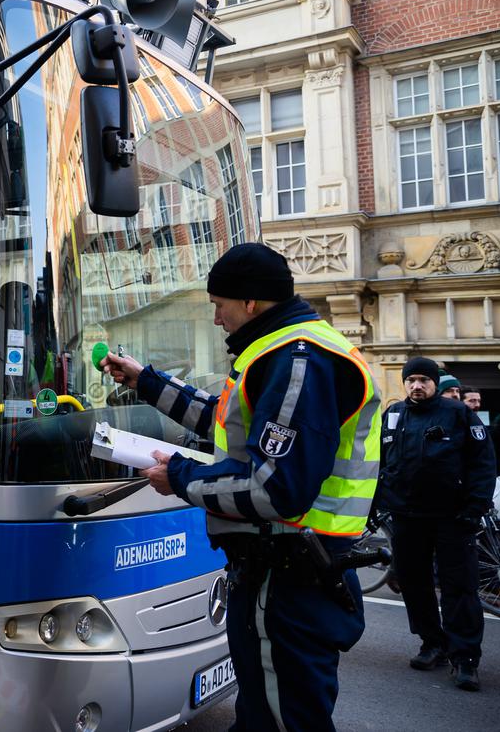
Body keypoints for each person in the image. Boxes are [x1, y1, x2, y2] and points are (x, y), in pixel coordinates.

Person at [101, 243, 381, 732]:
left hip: (291, 576)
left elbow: (275, 491)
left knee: (282, 720)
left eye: (218, 305)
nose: (215, 318)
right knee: (262, 715)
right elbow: (222, 420)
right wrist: (145, 380)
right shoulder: (281, 351)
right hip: (282, 574)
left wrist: (180, 476)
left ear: (250, 302)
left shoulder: (298, 360)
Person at [376, 356, 496, 691]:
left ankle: (465, 659)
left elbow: (483, 463)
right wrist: (375, 502)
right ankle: (433, 643)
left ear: (434, 382)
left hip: (452, 518)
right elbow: (380, 461)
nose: (416, 385)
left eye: (423, 380)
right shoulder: (394, 414)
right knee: (414, 584)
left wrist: (474, 507)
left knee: (459, 588)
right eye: (411, 380)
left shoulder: (458, 414)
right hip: (406, 517)